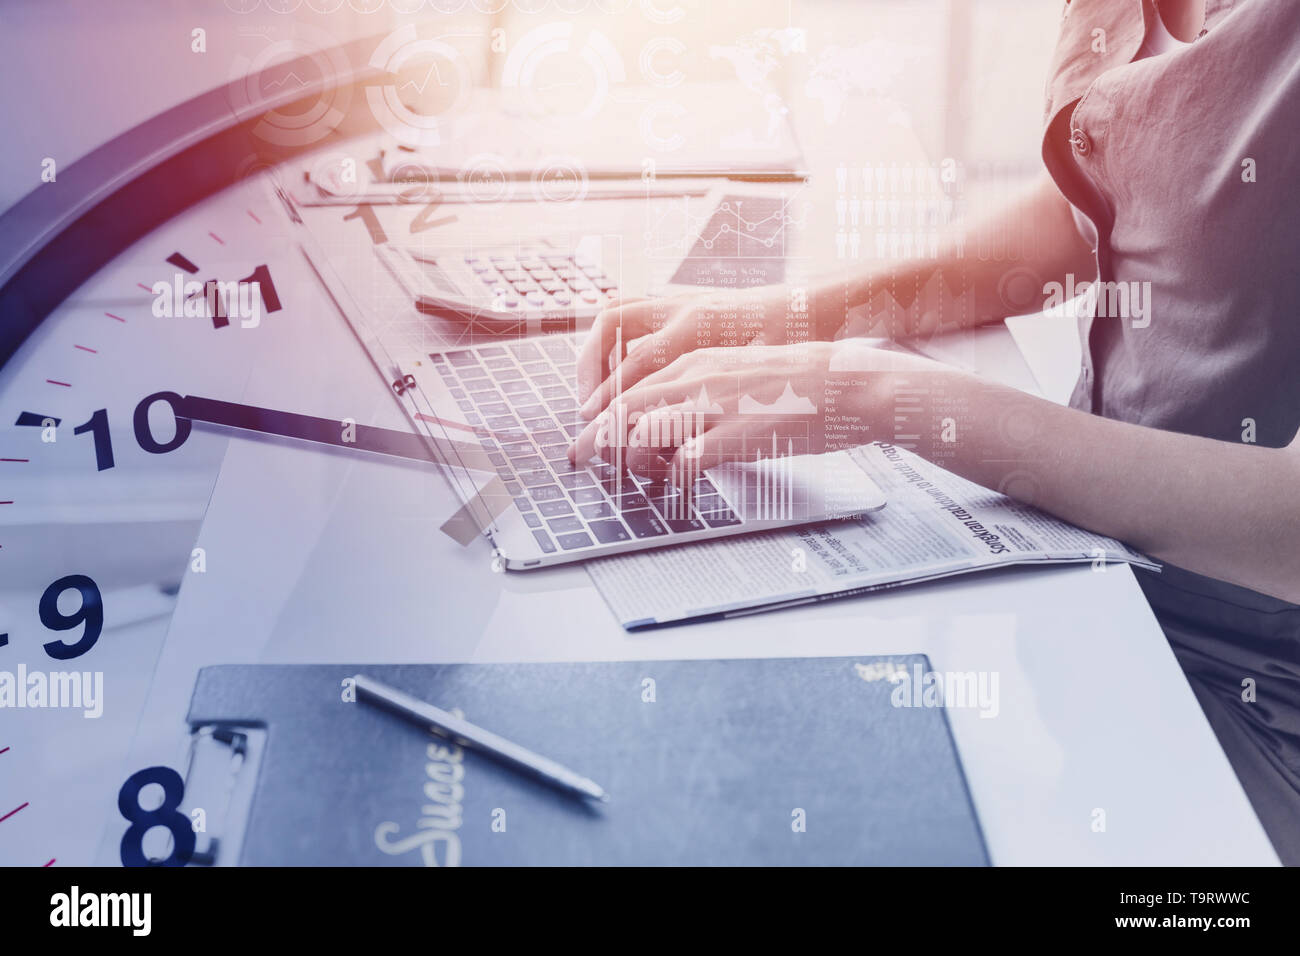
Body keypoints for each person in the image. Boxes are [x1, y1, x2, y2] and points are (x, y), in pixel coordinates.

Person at [570, 0, 1300, 863]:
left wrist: (881, 394)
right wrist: (786, 318)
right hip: (1085, 571)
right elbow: (1102, 204)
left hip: (1251, 685)